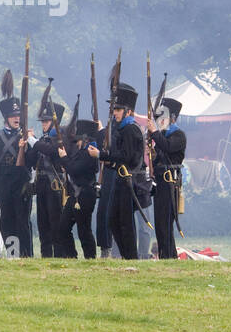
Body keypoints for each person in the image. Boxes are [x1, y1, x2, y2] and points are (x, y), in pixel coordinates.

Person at [90, 82, 144, 260]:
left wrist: (101, 155)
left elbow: (126, 156)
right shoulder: (120, 129)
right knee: (113, 219)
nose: (115, 113)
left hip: (129, 180)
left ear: (128, 111)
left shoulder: (131, 129)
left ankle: (131, 257)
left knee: (126, 223)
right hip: (121, 181)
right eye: (115, 109)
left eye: (118, 110)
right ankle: (126, 255)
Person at [0, 91, 34, 257]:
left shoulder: (27, 137)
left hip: (21, 186)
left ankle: (26, 255)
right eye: (13, 115)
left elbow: (34, 160)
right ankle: (13, 254)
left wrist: (28, 144)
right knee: (7, 223)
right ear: (6, 118)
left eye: (18, 115)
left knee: (22, 223)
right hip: (3, 188)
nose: (17, 118)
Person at [145, 96, 187, 259]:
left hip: (171, 183)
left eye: (163, 117)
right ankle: (165, 255)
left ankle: (169, 256)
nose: (160, 121)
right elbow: (159, 159)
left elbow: (168, 147)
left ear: (173, 118)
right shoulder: (162, 136)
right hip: (161, 183)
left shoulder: (178, 135)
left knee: (166, 224)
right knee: (160, 224)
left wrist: (154, 133)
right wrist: (152, 153)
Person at [52, 118, 100, 258]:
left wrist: (64, 158)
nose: (77, 143)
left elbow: (74, 169)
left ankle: (90, 258)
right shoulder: (82, 152)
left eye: (79, 140)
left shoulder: (89, 154)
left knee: (84, 230)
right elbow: (72, 166)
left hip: (85, 194)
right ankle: (71, 256)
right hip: (76, 194)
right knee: (63, 228)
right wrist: (66, 161)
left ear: (85, 140)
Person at [30, 99, 66, 257]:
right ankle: (46, 256)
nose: (43, 124)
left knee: (55, 223)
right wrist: (27, 144)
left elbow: (51, 151)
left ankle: (58, 255)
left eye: (46, 121)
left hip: (55, 185)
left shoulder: (61, 137)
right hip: (42, 184)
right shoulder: (42, 139)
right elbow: (32, 161)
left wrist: (33, 141)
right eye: (43, 121)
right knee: (42, 223)